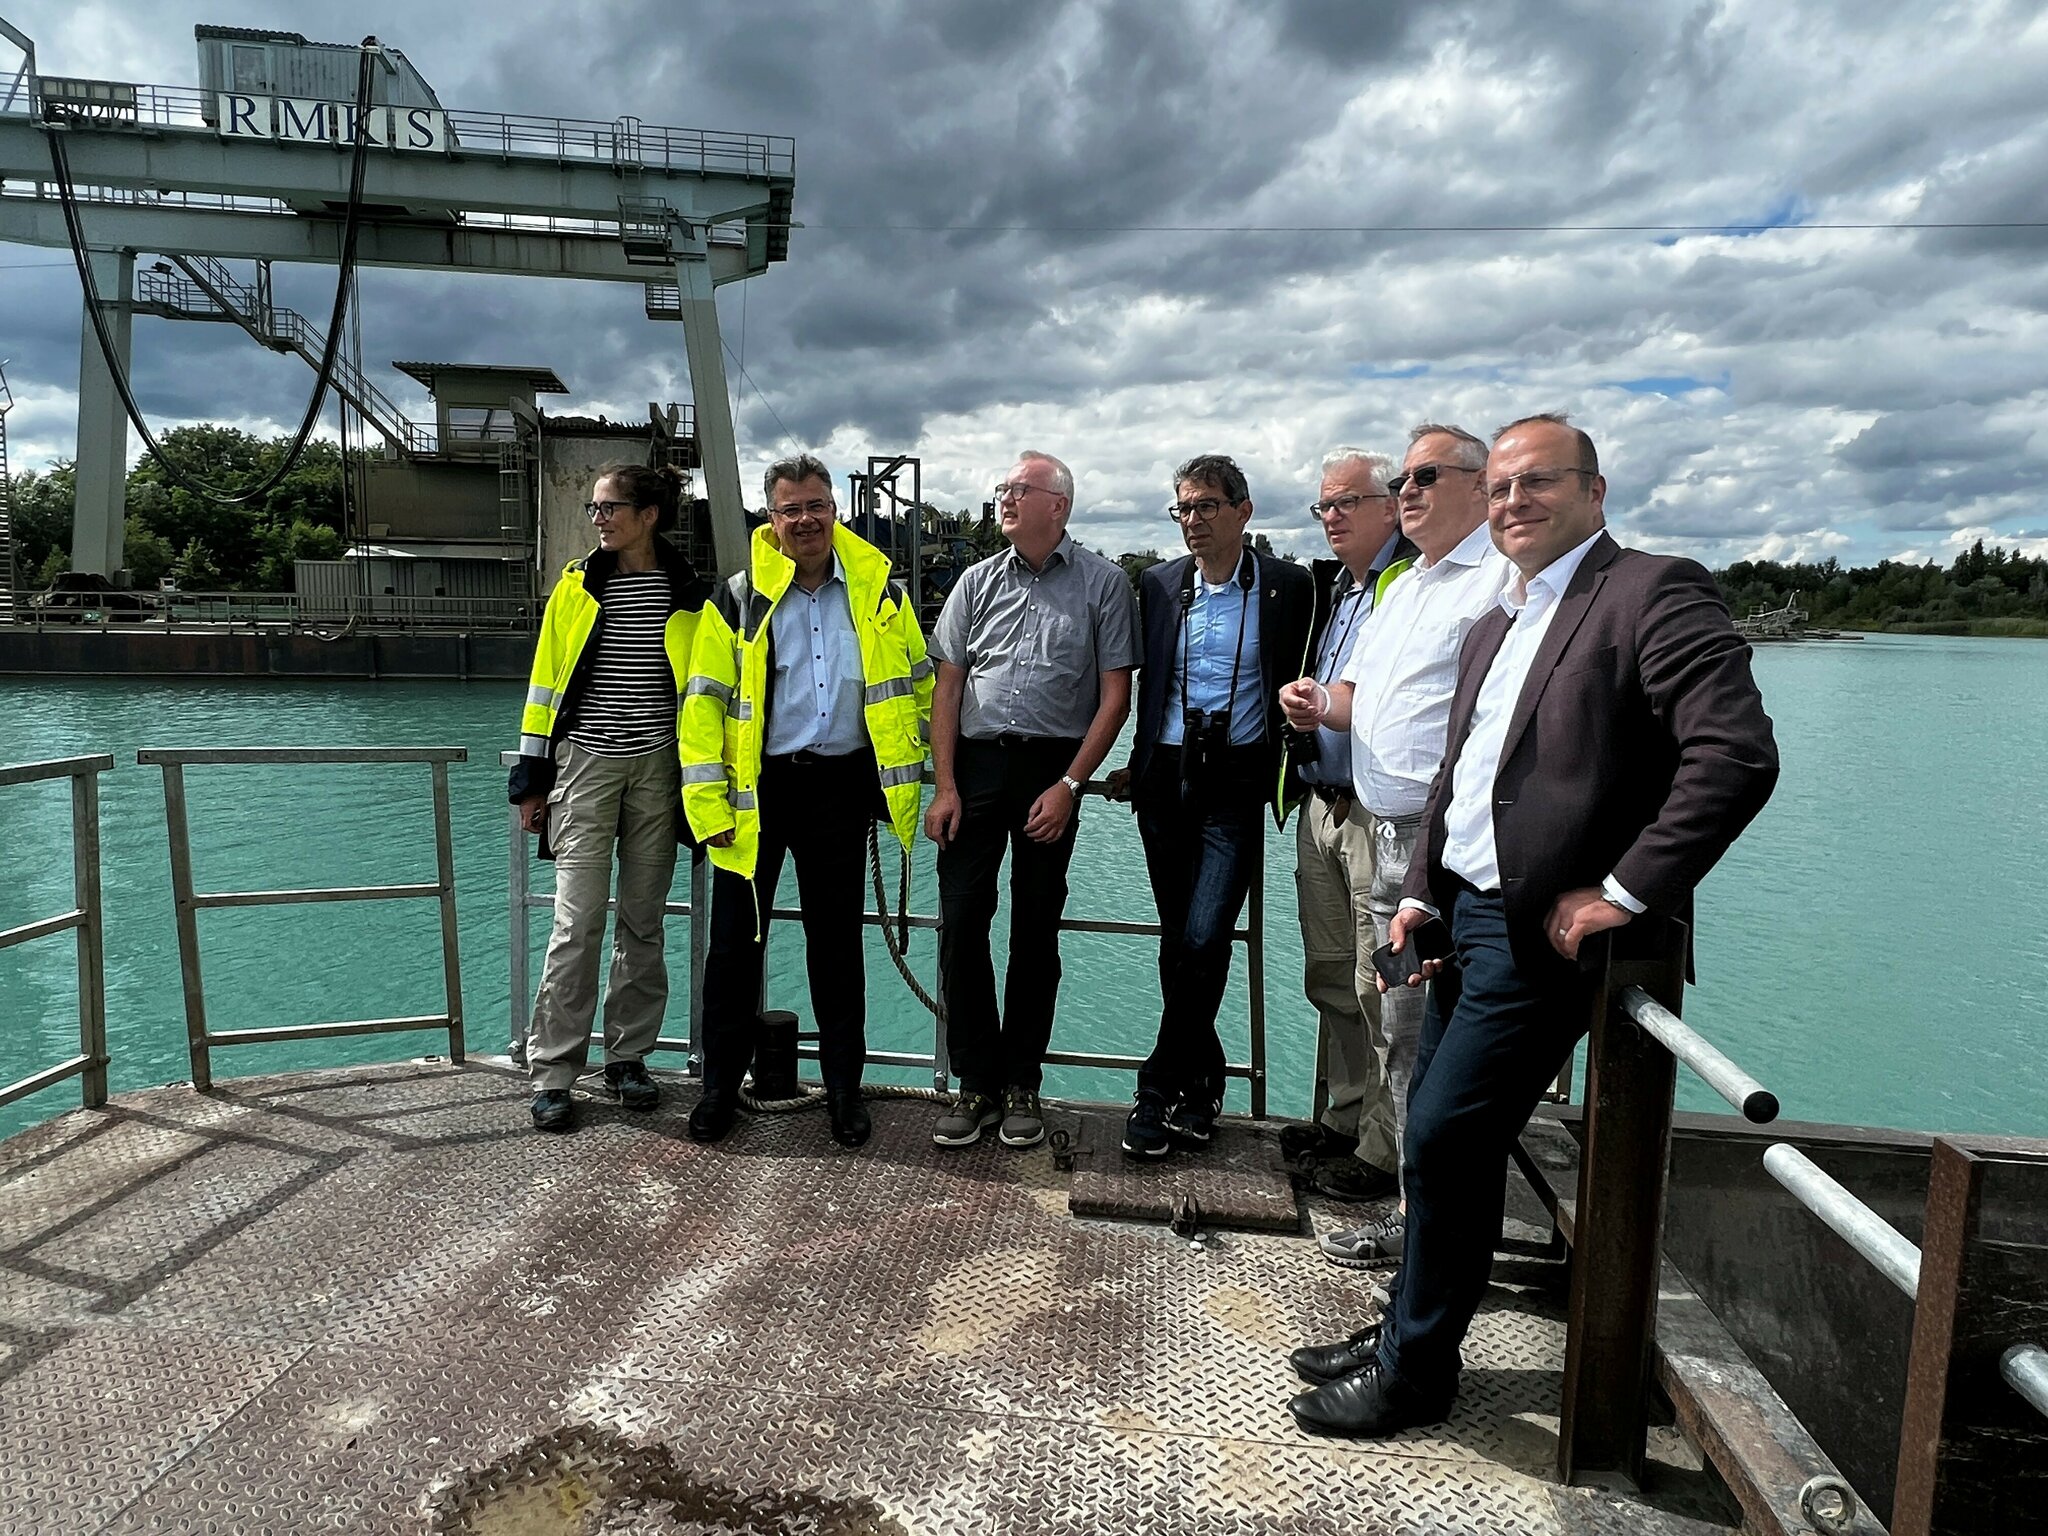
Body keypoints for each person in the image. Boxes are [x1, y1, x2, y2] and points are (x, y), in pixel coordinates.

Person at [1286, 414, 1779, 1438]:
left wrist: (1624, 891)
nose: (1515, 502)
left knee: (1442, 1134)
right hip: (1463, 914)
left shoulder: (1649, 589)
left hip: (1541, 935)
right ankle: (1403, 1330)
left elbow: (1732, 754)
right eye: (1504, 486)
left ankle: (1415, 1373)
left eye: (1537, 482)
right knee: (1438, 1134)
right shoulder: (1498, 621)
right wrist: (1422, 890)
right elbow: (1463, 776)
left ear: (1594, 492)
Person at [1279, 425, 1508, 1246]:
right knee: (1375, 1005)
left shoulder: (1504, 581)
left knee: (1415, 1026)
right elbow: (1359, 697)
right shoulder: (1404, 588)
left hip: (1432, 840)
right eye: (1404, 478)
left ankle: (1415, 1210)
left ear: (1478, 485)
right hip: (1369, 823)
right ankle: (1400, 1190)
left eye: (1424, 477)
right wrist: (1316, 704)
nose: (1410, 491)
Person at [679, 454, 933, 1150]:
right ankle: (718, 1089)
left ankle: (844, 1091)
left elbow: (919, 685)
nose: (805, 520)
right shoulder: (736, 600)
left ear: (835, 510)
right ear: (771, 519)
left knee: (837, 948)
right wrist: (709, 808)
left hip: (841, 789)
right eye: (790, 509)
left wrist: (920, 778)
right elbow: (701, 708)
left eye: (816, 505)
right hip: (756, 794)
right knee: (734, 948)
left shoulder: (880, 595)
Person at [923, 451, 1138, 1150]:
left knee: (1035, 930)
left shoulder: (1104, 583)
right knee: (962, 921)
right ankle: (975, 1080)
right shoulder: (976, 581)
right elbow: (948, 686)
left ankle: (1022, 1080)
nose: (1005, 499)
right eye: (1003, 489)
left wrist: (1072, 785)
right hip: (977, 768)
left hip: (1052, 771)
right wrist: (946, 784)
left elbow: (1115, 697)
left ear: (1058, 505)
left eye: (1019, 489)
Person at [1108, 454, 1312, 1158]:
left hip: (1236, 782)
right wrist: (1134, 767)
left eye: (1206, 506)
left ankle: (1157, 1085)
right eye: (1183, 508)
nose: (1192, 521)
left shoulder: (1288, 587)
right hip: (1164, 779)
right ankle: (1202, 1086)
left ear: (1243, 511)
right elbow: (1149, 683)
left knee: (1203, 937)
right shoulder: (1160, 584)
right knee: (1179, 941)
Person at [509, 462, 713, 1133]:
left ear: (648, 515)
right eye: (594, 508)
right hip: (585, 768)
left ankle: (628, 1058)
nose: (598, 518)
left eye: (609, 507)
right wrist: (531, 781)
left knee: (643, 924)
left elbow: (707, 694)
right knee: (576, 925)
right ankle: (554, 1072)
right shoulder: (577, 588)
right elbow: (544, 687)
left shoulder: (690, 594)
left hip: (659, 770)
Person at [1274, 447, 1415, 1201]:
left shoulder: (1410, 584)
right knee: (1331, 974)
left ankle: (1384, 1151)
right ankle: (1346, 1119)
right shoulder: (1340, 589)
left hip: (1373, 814)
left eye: (1346, 503)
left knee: (1379, 984)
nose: (1331, 517)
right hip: (1321, 804)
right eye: (1323, 506)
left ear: (1390, 506)